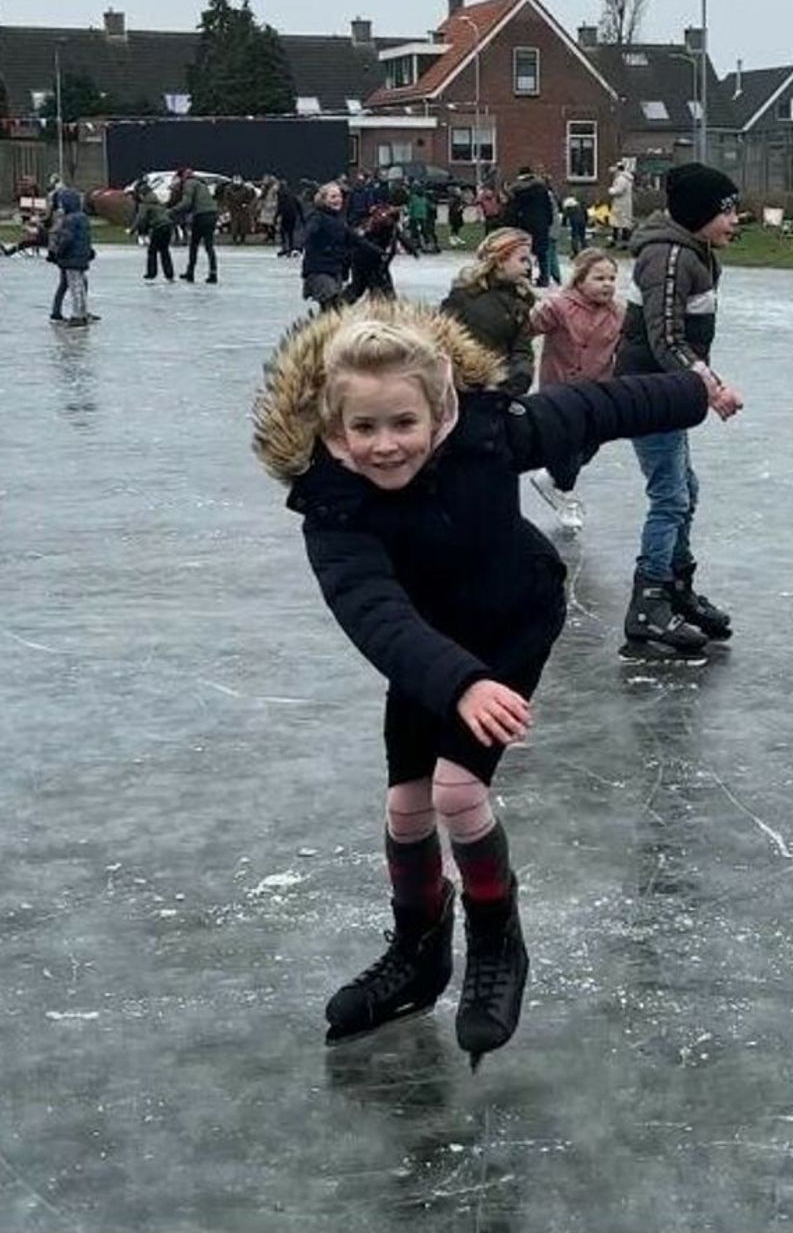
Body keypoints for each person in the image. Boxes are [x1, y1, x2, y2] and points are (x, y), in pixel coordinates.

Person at [251, 300, 712, 1060]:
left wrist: (699, 393)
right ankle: (419, 948)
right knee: (405, 807)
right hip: (428, 649)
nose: (385, 445)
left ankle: (497, 940)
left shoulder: (490, 435)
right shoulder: (333, 506)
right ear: (334, 432)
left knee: (456, 793)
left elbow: (597, 406)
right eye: (363, 429)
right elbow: (373, 612)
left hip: (512, 621)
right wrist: (454, 679)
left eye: (403, 423)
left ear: (441, 413)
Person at [613, 163, 744, 658]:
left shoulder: (695, 252)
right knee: (669, 495)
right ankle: (647, 606)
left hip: (669, 390)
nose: (735, 220)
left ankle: (675, 589)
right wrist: (712, 388)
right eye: (726, 211)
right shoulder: (667, 256)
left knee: (684, 488)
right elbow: (664, 337)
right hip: (648, 392)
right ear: (699, 213)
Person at [528, 249, 623, 531]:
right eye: (599, 278)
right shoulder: (559, 307)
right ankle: (563, 491)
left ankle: (552, 478)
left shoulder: (618, 313)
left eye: (612, 278)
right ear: (580, 280)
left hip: (598, 392)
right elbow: (527, 328)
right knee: (569, 444)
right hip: (560, 390)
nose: (607, 284)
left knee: (591, 443)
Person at [441, 229, 536, 395]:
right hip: (466, 388)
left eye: (530, 261)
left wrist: (521, 375)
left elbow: (521, 347)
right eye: (522, 260)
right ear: (500, 261)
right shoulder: (464, 297)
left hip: (505, 388)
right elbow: (444, 342)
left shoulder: (521, 300)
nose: (528, 267)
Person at [49, 189, 97, 326]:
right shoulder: (83, 217)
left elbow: (66, 238)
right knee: (79, 285)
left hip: (70, 258)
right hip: (81, 256)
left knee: (74, 286)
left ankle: (77, 315)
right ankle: (80, 312)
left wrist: (58, 251)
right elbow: (85, 238)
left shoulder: (69, 219)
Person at [301, 181, 351, 309]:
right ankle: (323, 328)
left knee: (333, 309)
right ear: (323, 200)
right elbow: (309, 233)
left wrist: (376, 251)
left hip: (336, 270)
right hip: (319, 270)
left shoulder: (340, 220)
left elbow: (355, 240)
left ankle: (326, 328)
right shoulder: (317, 217)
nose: (338, 200)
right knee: (332, 305)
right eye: (333, 197)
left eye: (339, 196)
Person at [505, 167, 556, 287]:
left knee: (525, 252)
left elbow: (514, 209)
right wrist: (548, 222)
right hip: (541, 224)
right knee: (542, 253)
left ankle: (527, 276)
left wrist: (512, 224)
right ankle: (544, 278)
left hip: (525, 225)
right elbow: (548, 207)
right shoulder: (542, 188)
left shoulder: (518, 190)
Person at [174, 169, 219, 284]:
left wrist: (172, 211)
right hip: (212, 214)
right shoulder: (201, 183)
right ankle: (213, 273)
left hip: (201, 216)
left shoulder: (189, 184)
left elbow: (187, 202)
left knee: (194, 245)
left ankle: (190, 272)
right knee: (209, 246)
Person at [131, 180, 176, 282]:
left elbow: (140, 218)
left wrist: (132, 229)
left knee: (152, 251)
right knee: (164, 251)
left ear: (142, 194)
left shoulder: (145, 204)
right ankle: (169, 274)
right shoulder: (157, 201)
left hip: (159, 227)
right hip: (168, 226)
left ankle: (151, 273)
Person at [607, 161, 635, 249]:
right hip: (621, 204)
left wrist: (611, 190)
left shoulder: (622, 179)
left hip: (621, 204)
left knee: (622, 223)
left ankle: (623, 243)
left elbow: (619, 190)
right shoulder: (624, 178)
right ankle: (617, 242)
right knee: (618, 223)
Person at [222, 175, 256, 245]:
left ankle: (242, 239)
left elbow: (250, 197)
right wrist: (229, 206)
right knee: (235, 224)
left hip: (242, 209)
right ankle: (235, 238)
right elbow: (226, 199)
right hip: (234, 209)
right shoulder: (229, 189)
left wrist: (246, 203)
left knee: (243, 224)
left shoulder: (245, 189)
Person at [275, 180, 303, 258]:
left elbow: (280, 206)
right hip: (292, 215)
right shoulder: (291, 193)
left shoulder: (280, 194)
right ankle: (290, 248)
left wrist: (276, 216)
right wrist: (301, 215)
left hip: (285, 215)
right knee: (290, 233)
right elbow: (298, 204)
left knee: (283, 233)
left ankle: (285, 248)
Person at [255, 175, 280, 244]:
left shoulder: (275, 189)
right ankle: (268, 236)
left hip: (272, 208)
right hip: (265, 207)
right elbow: (261, 197)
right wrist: (260, 206)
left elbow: (277, 198)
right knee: (264, 223)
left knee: (271, 224)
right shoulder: (264, 188)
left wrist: (274, 205)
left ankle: (272, 237)